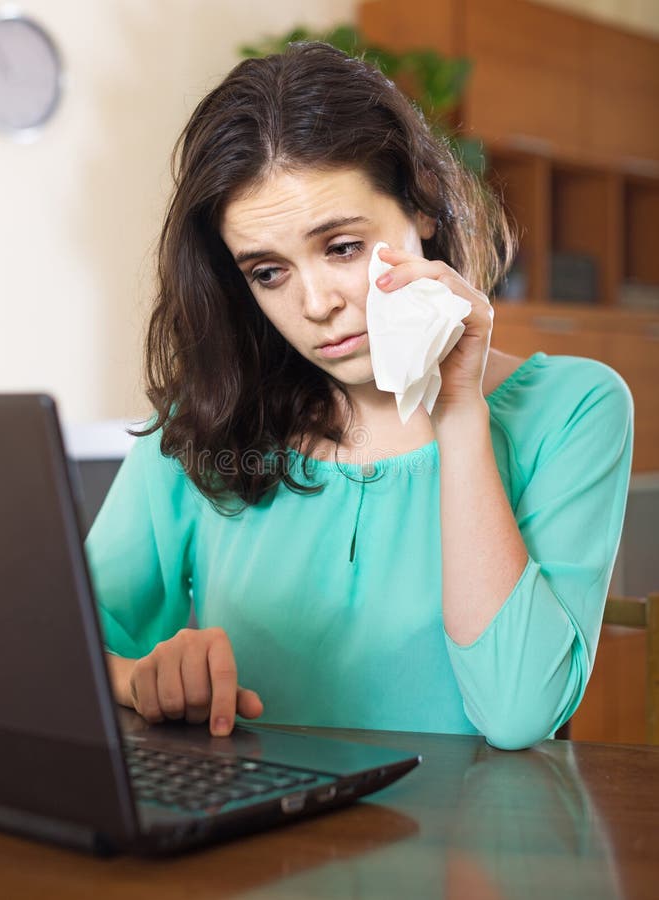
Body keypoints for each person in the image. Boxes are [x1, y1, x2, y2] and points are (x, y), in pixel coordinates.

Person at [86, 42, 633, 751]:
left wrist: (460, 409)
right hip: (253, 854)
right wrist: (141, 680)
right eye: (268, 271)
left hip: (469, 858)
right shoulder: (205, 424)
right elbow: (50, 657)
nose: (315, 304)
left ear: (423, 209)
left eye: (341, 246)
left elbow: (520, 712)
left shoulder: (574, 410)